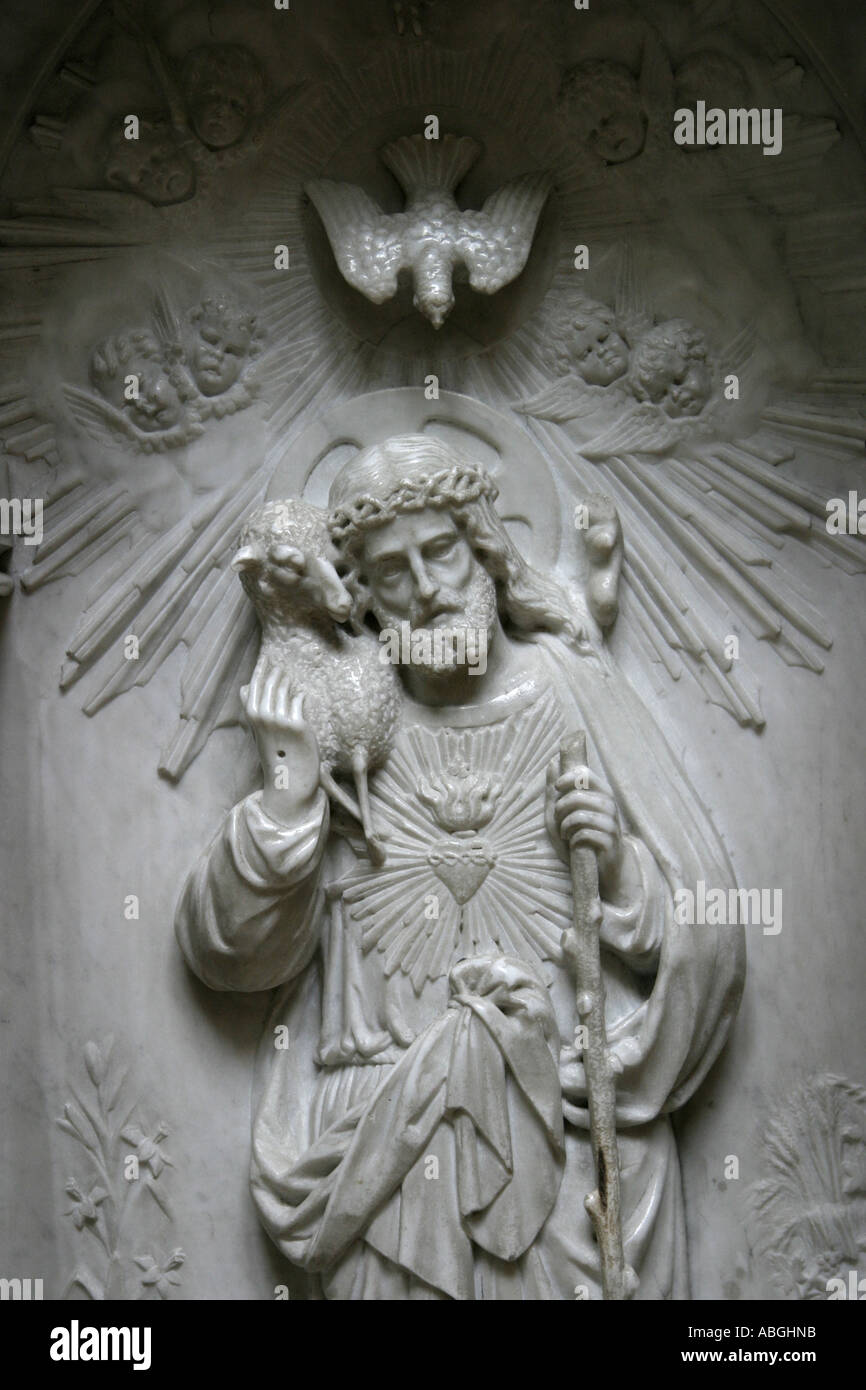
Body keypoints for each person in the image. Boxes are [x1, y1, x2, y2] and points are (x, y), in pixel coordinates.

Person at [176, 432, 744, 1299]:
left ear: (482, 547)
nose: (430, 592)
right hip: (388, 1142)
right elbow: (230, 954)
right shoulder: (340, 719)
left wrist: (622, 867)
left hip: (554, 1137)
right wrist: (290, 798)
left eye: (442, 551)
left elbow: (707, 932)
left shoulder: (569, 689)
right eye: (394, 572)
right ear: (359, 589)